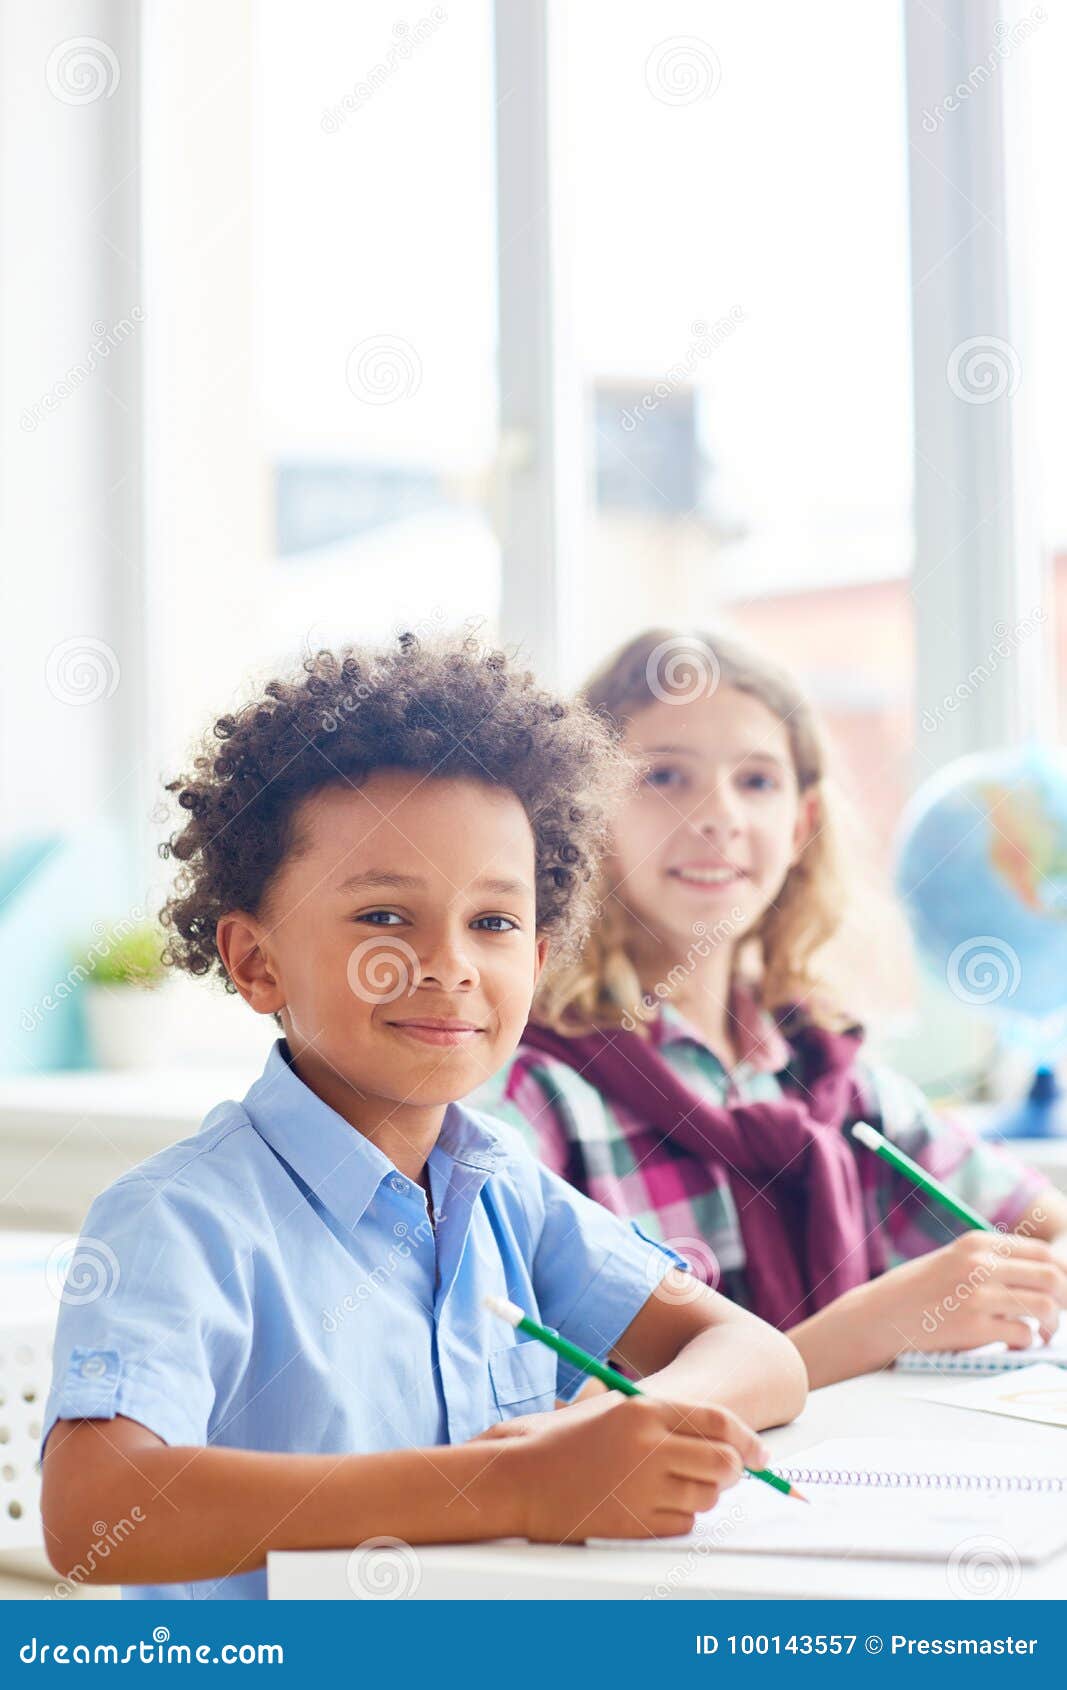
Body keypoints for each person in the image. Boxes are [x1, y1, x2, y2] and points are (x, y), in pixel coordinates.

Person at [38, 634, 806, 1599]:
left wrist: (611, 1431)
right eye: (384, 917)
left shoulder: (502, 1185)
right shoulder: (178, 1221)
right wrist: (509, 1487)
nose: (448, 964)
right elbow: (97, 1513)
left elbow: (756, 1352)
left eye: (493, 923)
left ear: (535, 958)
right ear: (254, 962)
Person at [474, 629, 1067, 1389]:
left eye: (755, 782)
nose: (717, 816)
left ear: (799, 825)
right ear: (584, 817)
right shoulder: (532, 1094)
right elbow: (546, 1424)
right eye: (662, 776)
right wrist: (868, 1329)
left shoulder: (825, 1073)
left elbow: (1036, 1221)